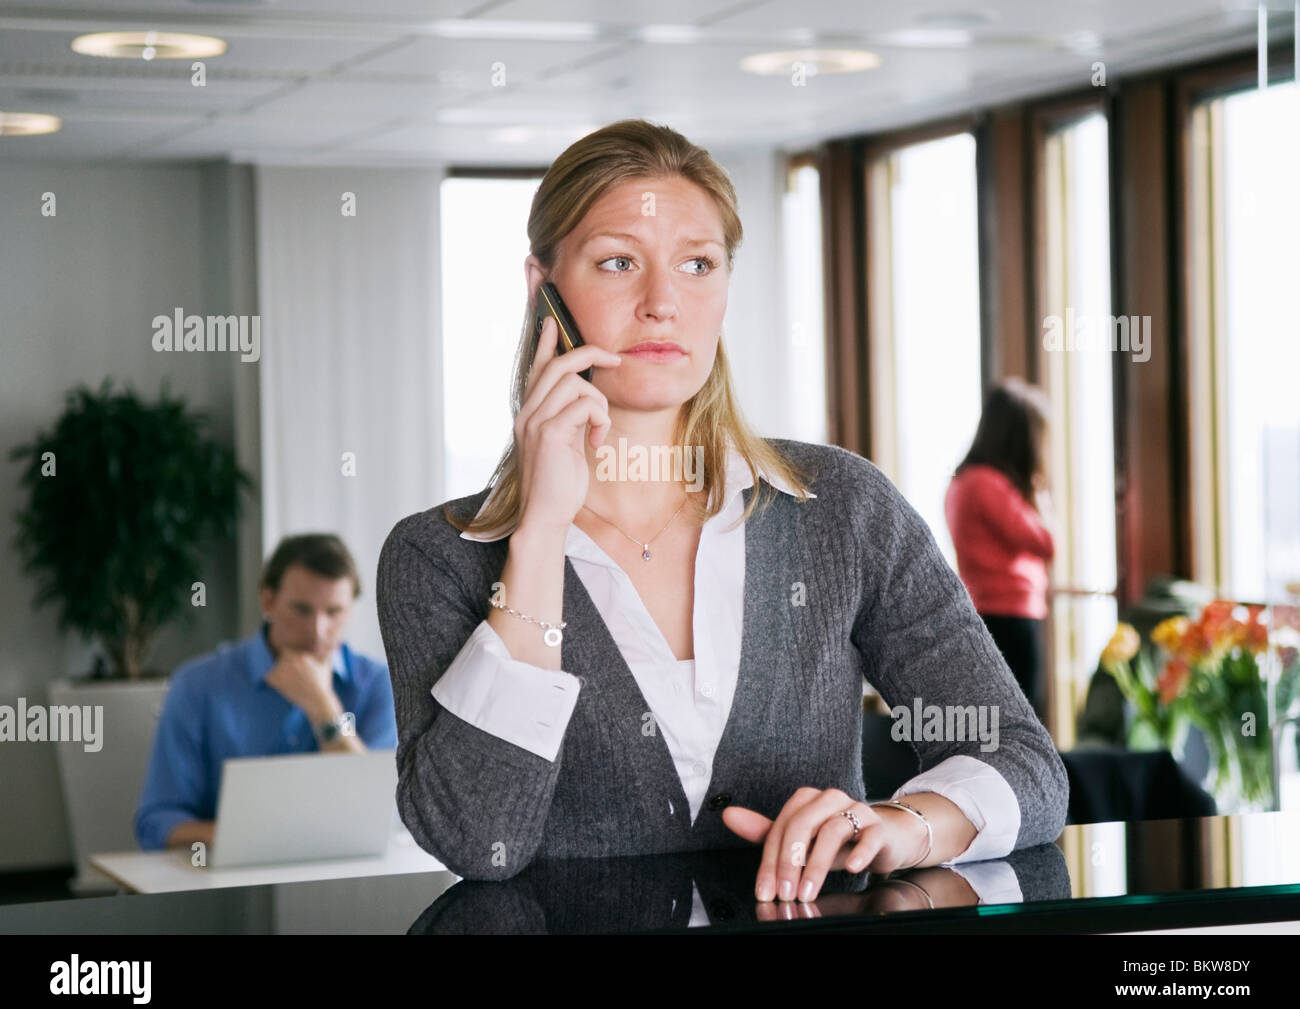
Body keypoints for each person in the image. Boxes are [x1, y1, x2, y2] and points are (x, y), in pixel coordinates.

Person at [377, 119, 1067, 905]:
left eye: (697, 265)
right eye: (618, 263)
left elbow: (1025, 762)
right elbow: (477, 839)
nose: (662, 303)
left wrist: (908, 823)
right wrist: (538, 535)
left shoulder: (839, 508)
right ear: (546, 290)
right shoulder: (438, 556)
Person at [135, 533, 398, 851]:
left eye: (333, 612)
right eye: (302, 610)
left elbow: (374, 812)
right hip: (224, 881)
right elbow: (158, 821)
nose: (317, 631)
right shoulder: (197, 685)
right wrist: (258, 841)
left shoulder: (377, 684)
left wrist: (324, 708)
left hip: (340, 882)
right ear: (268, 601)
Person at [945, 379, 1055, 722]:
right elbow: (1046, 541)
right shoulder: (989, 485)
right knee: (1022, 722)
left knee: (1003, 720)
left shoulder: (963, 481)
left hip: (988, 611)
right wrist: (1040, 493)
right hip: (1010, 615)